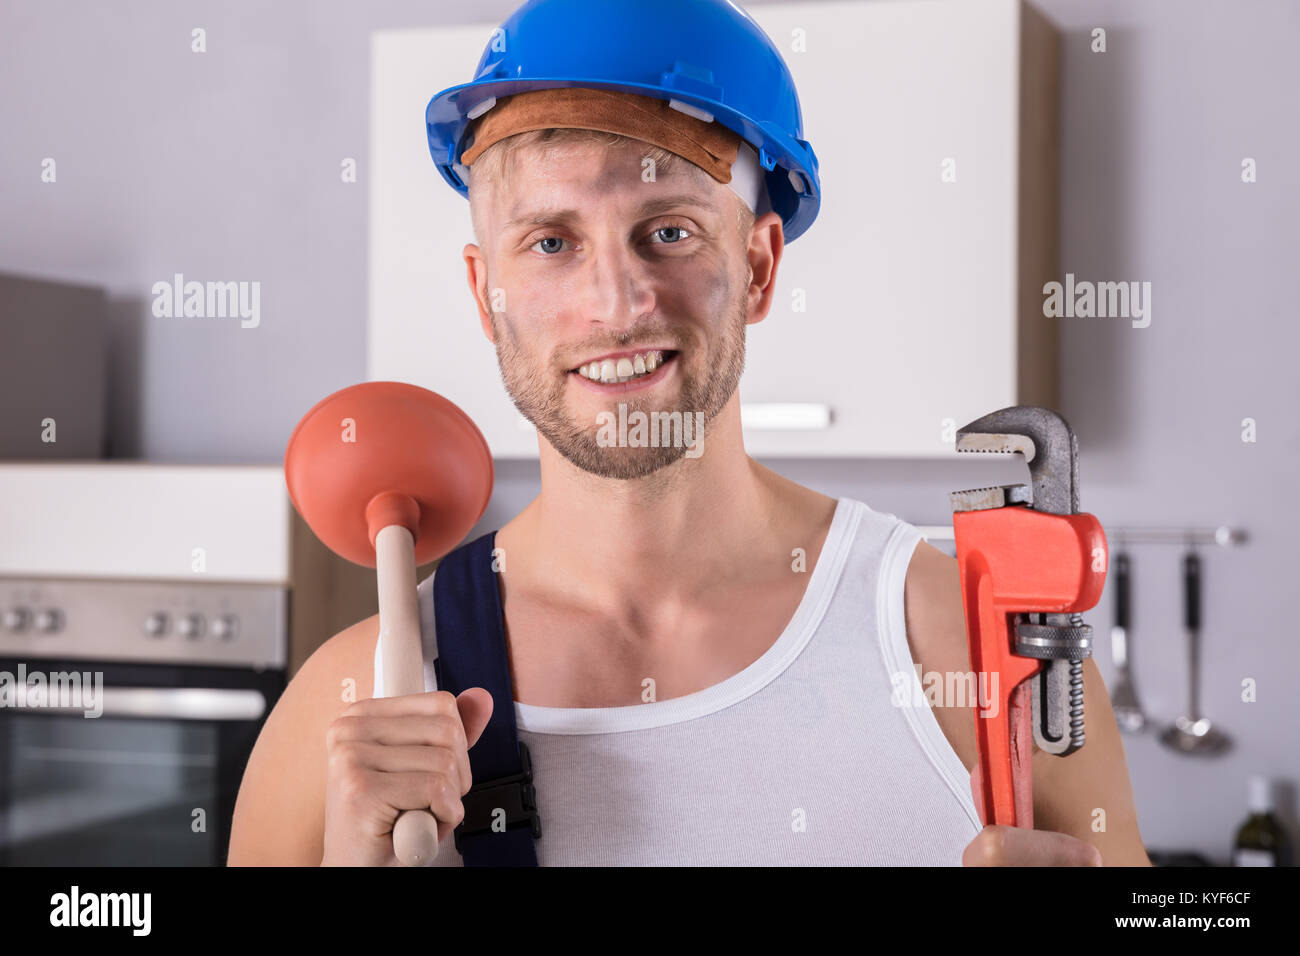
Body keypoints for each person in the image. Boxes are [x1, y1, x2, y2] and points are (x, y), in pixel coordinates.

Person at [229, 0, 1150, 866]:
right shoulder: (353, 711)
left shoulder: (978, 647)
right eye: (551, 242)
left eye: (666, 231)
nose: (616, 304)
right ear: (486, 294)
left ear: (755, 266)